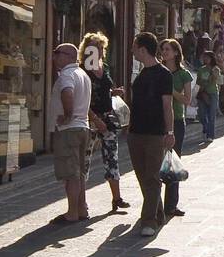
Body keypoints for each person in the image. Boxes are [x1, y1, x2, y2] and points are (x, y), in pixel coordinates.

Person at [128, 32, 175, 237]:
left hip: (155, 133)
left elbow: (167, 105)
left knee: (153, 177)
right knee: (142, 176)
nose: (132, 50)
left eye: (134, 46)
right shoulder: (140, 73)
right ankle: (158, 213)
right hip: (135, 131)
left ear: (143, 49)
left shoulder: (163, 74)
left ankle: (148, 221)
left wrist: (170, 131)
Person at [81, 32, 128, 214]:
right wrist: (95, 119)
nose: (98, 50)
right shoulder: (83, 70)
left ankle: (116, 198)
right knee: (84, 160)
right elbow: (83, 99)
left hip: (107, 118)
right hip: (91, 118)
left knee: (112, 157)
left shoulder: (104, 67)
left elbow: (104, 91)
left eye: (100, 47)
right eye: (94, 46)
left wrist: (113, 92)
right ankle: (82, 203)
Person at [50, 42, 92, 223]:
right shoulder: (83, 74)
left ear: (67, 56)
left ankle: (72, 212)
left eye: (57, 53)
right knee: (80, 171)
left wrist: (67, 115)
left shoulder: (67, 74)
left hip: (69, 129)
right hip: (83, 127)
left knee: (71, 173)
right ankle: (81, 208)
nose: (54, 56)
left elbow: (68, 93)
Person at [161, 38, 193, 218]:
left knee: (173, 161)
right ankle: (156, 204)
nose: (164, 52)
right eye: (163, 49)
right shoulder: (158, 71)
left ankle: (171, 204)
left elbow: (187, 100)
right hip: (158, 120)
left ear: (175, 53)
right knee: (157, 161)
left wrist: (169, 91)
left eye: (167, 49)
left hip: (177, 121)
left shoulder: (183, 75)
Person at [195, 50, 221, 141]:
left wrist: (212, 75)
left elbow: (215, 80)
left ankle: (210, 135)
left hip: (212, 93)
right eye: (204, 57)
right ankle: (205, 128)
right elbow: (198, 82)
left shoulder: (216, 69)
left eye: (207, 57)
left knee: (211, 115)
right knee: (201, 114)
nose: (205, 59)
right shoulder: (201, 69)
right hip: (202, 93)